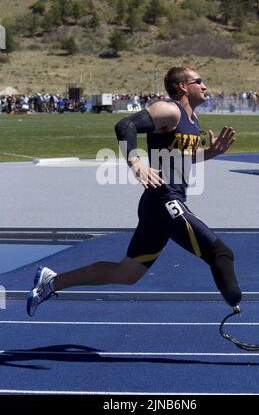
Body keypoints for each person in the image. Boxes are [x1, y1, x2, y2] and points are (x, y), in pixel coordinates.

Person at [27, 66, 241, 317]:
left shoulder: (192, 120)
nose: (205, 86)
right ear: (183, 86)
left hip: (159, 204)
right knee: (221, 253)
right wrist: (135, 163)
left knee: (126, 274)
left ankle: (51, 282)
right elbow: (125, 125)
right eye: (200, 81)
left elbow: (180, 158)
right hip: (164, 200)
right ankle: (238, 307)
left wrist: (209, 153)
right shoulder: (170, 110)